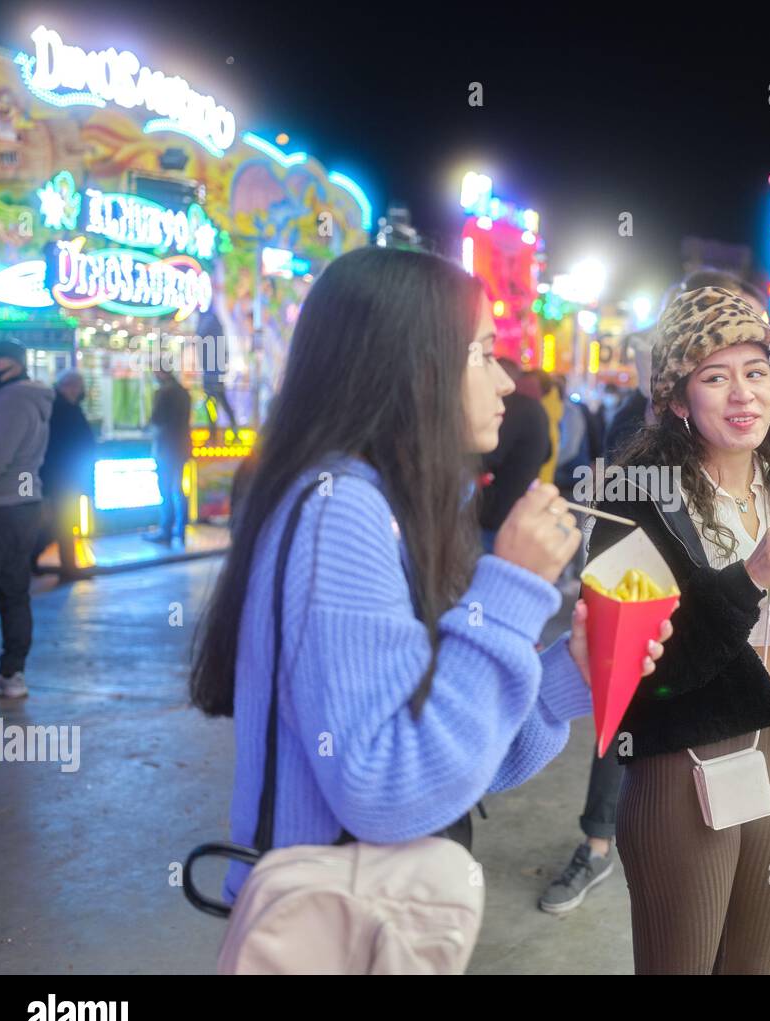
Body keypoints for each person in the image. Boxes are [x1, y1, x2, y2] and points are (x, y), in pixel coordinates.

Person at [187, 247, 672, 922]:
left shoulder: (385, 503)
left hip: (374, 924)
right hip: (330, 934)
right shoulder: (340, 511)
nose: (507, 382)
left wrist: (572, 673)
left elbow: (454, 769)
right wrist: (513, 587)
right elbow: (388, 790)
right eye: (482, 354)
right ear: (411, 367)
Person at [580, 286, 770, 973]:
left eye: (755, 373)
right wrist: (748, 578)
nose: (743, 395)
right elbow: (641, 673)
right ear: (679, 400)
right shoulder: (636, 497)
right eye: (715, 377)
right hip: (683, 763)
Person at [0, 339, 53, 698]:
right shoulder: (32, 398)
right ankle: (12, 674)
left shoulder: (10, 401)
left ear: (10, 364)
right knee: (13, 594)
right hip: (24, 504)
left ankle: (11, 673)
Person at [478, 357, 551, 554]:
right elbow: (549, 452)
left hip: (498, 514)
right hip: (518, 509)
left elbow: (490, 456)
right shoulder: (538, 408)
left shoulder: (514, 408)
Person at [34, 368, 95, 580]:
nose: (80, 391)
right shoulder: (60, 408)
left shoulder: (62, 406)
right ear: (69, 386)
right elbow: (64, 443)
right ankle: (65, 567)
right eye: (78, 386)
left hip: (65, 474)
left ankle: (49, 563)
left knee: (61, 522)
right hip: (63, 475)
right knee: (61, 522)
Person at [144, 366, 192, 545]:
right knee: (178, 489)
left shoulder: (163, 392)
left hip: (165, 445)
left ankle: (165, 529)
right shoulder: (184, 393)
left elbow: (156, 418)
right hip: (182, 446)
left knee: (165, 488)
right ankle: (181, 528)